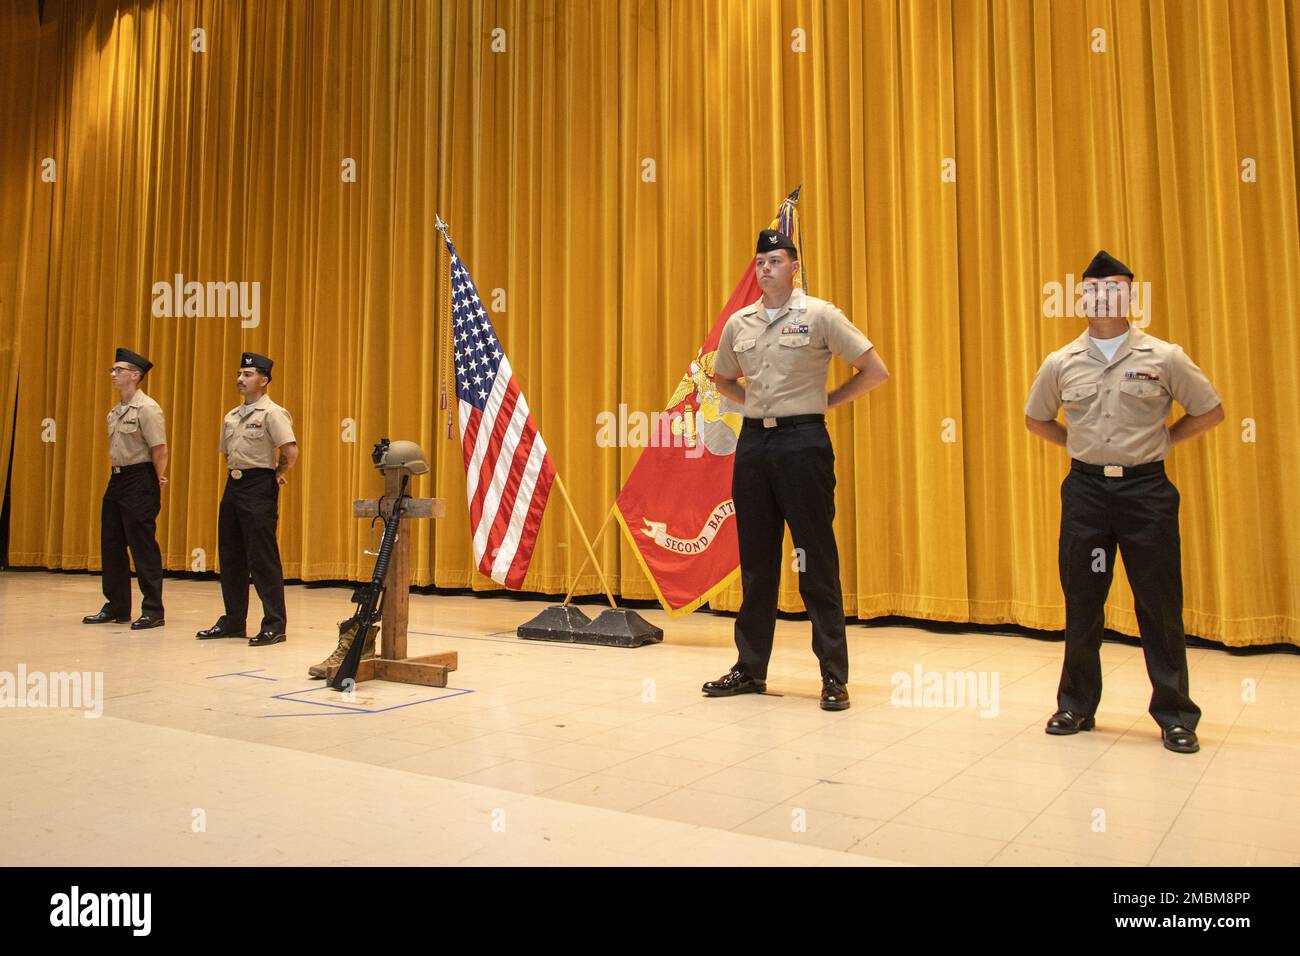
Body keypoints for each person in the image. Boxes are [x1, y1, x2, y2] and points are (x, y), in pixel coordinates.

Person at [1025, 250, 1224, 754]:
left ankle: (1176, 715)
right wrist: (1078, 446)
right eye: (1093, 288)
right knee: (1083, 601)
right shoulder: (1061, 362)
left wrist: (1164, 444)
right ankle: (1075, 706)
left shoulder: (1164, 356)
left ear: (1130, 296)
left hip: (1146, 493)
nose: (1104, 295)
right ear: (1081, 298)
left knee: (1159, 603)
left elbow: (1209, 411)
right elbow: (1036, 419)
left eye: (1115, 286)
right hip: (1086, 491)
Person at [702, 229, 890, 710]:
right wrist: (757, 404)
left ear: (794, 268)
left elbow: (875, 371)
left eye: (775, 260)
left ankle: (833, 676)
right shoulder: (738, 323)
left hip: (803, 443)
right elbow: (722, 378)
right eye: (760, 261)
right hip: (754, 445)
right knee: (758, 562)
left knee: (815, 559)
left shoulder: (820, 315)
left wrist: (826, 402)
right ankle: (749, 668)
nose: (765, 268)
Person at [196, 353, 298, 646]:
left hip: (259, 486)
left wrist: (277, 473)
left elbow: (290, 451)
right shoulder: (232, 415)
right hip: (234, 485)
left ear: (263, 381)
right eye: (239, 373)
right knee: (230, 555)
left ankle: (274, 624)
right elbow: (228, 453)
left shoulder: (272, 413)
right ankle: (233, 620)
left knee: (261, 557)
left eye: (248, 374)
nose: (240, 379)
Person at [82, 348, 168, 629]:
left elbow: (159, 448)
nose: (113, 374)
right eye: (112, 370)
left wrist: (156, 479)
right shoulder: (115, 411)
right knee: (112, 543)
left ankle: (153, 609)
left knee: (142, 545)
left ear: (135, 375)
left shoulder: (147, 408)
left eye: (118, 370)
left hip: (140, 477)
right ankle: (117, 605)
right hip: (117, 478)